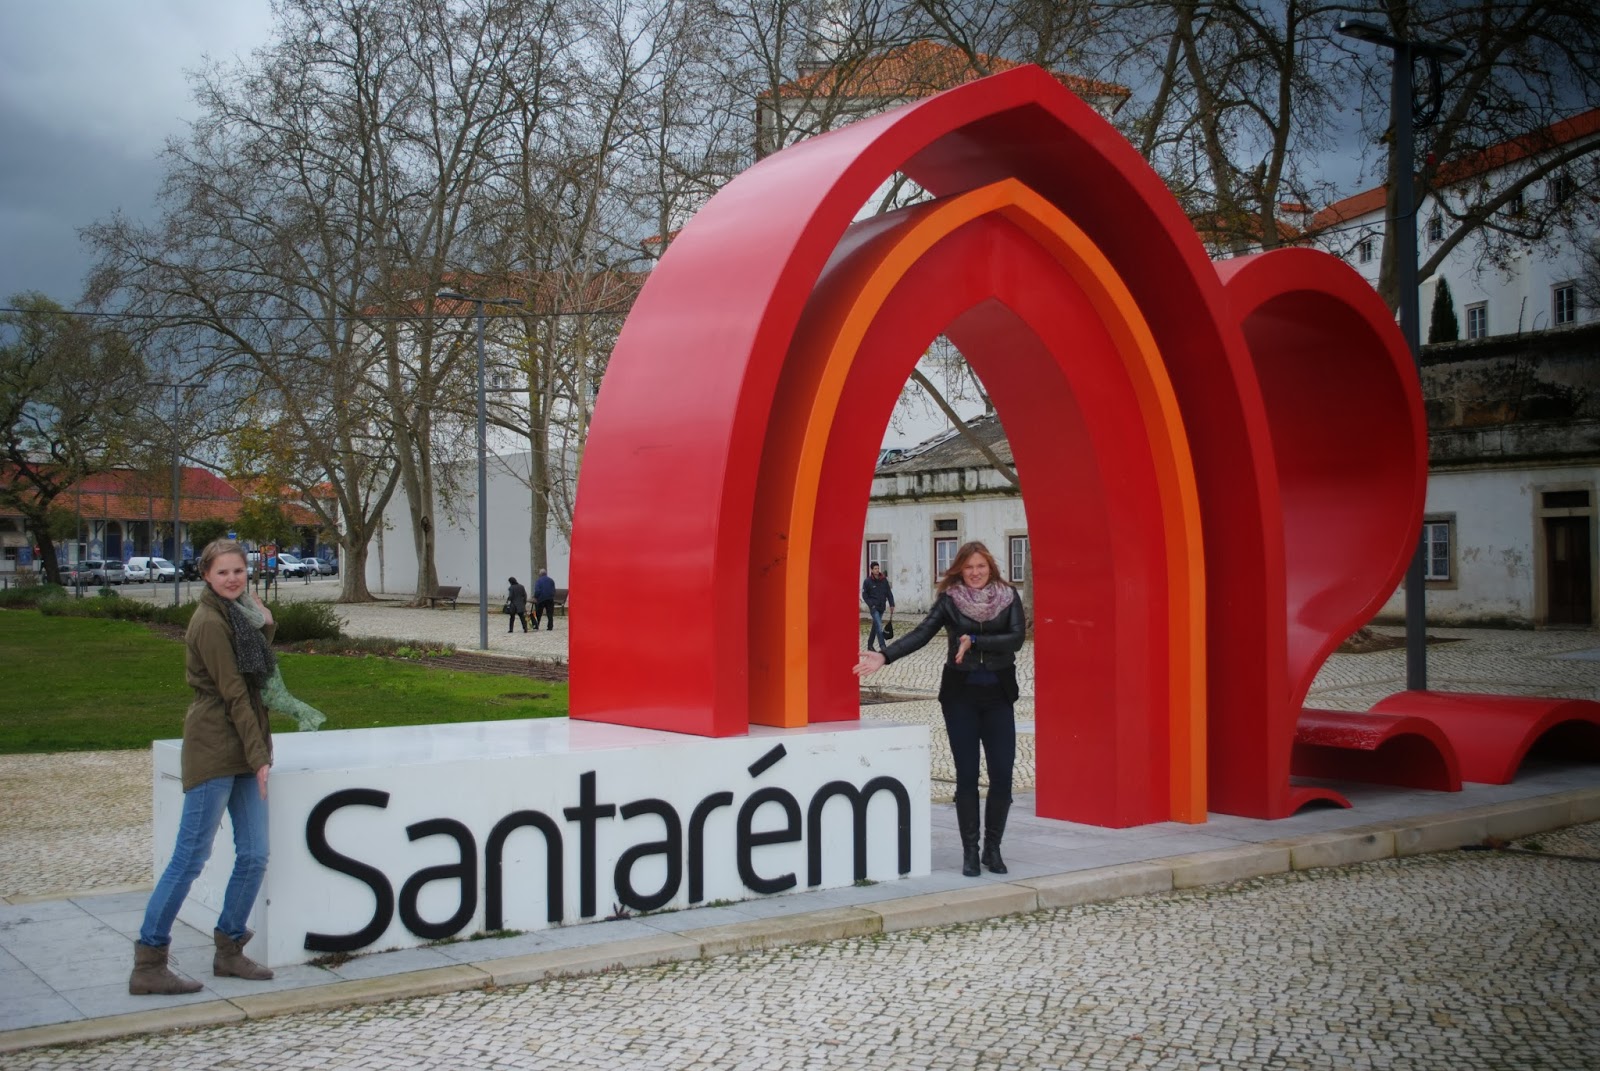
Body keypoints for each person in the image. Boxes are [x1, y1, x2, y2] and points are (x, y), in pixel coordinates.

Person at [129, 540, 280, 994]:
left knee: (254, 854)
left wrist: (267, 625)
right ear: (206, 576)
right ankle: (149, 962)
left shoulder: (237, 615)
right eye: (223, 573)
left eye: (239, 571)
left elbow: (257, 672)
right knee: (190, 858)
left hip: (242, 743)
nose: (233, 578)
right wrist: (260, 758)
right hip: (215, 745)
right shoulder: (209, 622)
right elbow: (235, 692)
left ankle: (229, 950)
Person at [854, 541, 1025, 878]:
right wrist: (885, 655)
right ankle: (970, 852)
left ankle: (993, 847)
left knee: (1002, 775)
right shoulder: (950, 600)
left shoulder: (1008, 597)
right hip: (960, 696)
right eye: (969, 567)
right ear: (960, 569)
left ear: (990, 568)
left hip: (999, 697)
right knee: (966, 775)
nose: (975, 573)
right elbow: (921, 633)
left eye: (981, 567)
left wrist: (975, 642)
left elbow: (1017, 638)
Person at [860, 563, 896, 652]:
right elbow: (864, 595)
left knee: (875, 626)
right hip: (874, 608)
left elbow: (889, 593)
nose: (877, 570)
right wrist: (871, 605)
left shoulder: (883, 580)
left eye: (878, 568)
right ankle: (882, 646)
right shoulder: (867, 582)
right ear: (871, 570)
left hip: (882, 607)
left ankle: (870, 645)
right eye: (875, 568)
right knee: (879, 625)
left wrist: (892, 604)